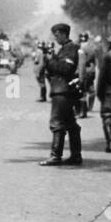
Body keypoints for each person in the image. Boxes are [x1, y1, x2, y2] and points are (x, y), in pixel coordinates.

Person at [39, 23, 83, 166]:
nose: (56, 38)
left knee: (57, 123)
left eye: (57, 35)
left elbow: (65, 68)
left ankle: (55, 156)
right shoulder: (66, 49)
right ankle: (76, 155)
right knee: (71, 124)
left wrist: (50, 59)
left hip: (62, 90)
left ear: (64, 34)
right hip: (62, 90)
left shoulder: (70, 49)